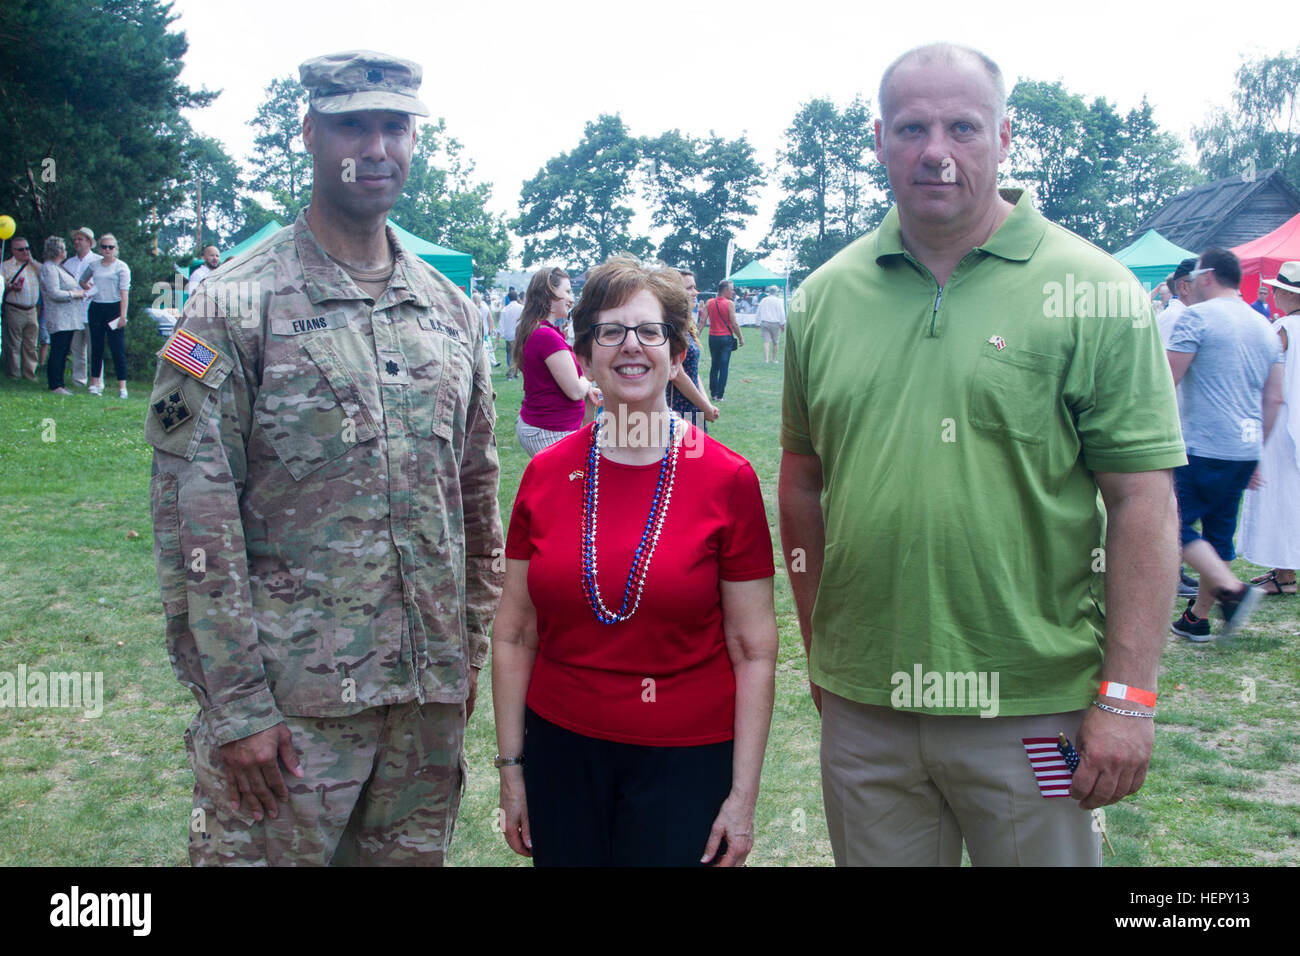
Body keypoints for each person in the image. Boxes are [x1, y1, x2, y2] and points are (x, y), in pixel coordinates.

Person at [779, 42, 1186, 867]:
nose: (936, 150)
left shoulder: (1094, 290)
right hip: (869, 715)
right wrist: (826, 654)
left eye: (963, 126)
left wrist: (1129, 698)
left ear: (1004, 137)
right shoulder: (824, 297)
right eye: (912, 127)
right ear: (879, 141)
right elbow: (801, 484)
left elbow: (1144, 501)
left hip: (1034, 711)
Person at [145, 49, 503, 866]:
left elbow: (478, 497)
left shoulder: (451, 313)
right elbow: (190, 515)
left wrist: (468, 653)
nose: (376, 147)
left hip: (425, 708)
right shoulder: (227, 305)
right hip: (289, 715)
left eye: (395, 126)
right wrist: (235, 707)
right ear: (308, 134)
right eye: (353, 125)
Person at [492, 254, 778, 866]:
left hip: (685, 761)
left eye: (651, 331)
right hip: (560, 754)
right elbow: (515, 634)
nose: (631, 346)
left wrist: (744, 797)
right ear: (586, 351)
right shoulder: (545, 474)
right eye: (611, 330)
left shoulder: (729, 480)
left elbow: (754, 648)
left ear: (676, 353)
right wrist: (512, 768)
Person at [1167, 248, 1282, 640]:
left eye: (1194, 275)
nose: (1189, 283)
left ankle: (1232, 591)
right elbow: (1274, 399)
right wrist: (1257, 453)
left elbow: (1167, 382)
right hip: (1244, 447)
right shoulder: (1266, 325)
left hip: (1200, 445)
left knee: (1172, 525)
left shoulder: (1195, 317)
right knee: (1219, 533)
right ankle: (1198, 619)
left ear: (1208, 276)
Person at [1241, 262, 1300, 595]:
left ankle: (1286, 573)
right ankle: (1284, 568)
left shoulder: (1284, 328)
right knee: (1290, 493)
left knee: (1280, 493)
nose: (1273, 292)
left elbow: (1264, 372)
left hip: (1282, 422)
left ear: (1287, 293)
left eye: (1278, 288)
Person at [513, 266, 598, 457]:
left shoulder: (539, 330)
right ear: (548, 293)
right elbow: (575, 391)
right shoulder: (546, 335)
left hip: (548, 427)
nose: (572, 299)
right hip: (550, 430)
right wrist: (588, 380)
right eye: (567, 292)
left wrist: (586, 387)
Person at [79, 232, 130, 398]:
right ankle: (94, 384)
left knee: (117, 348)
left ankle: (122, 386)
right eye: (104, 247)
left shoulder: (121, 267)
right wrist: (91, 290)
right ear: (100, 248)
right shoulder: (95, 265)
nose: (107, 250)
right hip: (96, 308)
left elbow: (124, 293)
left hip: (114, 308)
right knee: (97, 347)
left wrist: (123, 315)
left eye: (111, 247)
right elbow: (82, 280)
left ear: (115, 249)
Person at [666, 268, 718, 429]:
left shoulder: (685, 324)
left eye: (694, 287)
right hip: (677, 411)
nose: (695, 292)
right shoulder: (670, 326)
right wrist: (705, 406)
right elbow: (678, 374)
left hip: (693, 407)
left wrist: (706, 404)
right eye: (689, 288)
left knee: (697, 452)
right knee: (685, 452)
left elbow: (693, 372)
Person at [39, 236, 88, 395]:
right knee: (58, 350)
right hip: (59, 317)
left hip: (69, 318)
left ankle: (60, 383)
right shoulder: (49, 268)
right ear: (57, 251)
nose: (66, 251)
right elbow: (54, 292)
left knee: (64, 349)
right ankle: (55, 385)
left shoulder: (59, 267)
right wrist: (75, 294)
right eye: (64, 248)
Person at [63, 227, 99, 387]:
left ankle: (97, 382)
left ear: (89, 242)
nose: (77, 242)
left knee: (94, 350)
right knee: (77, 350)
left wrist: (90, 290)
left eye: (81, 239)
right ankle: (79, 381)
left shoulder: (98, 261)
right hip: (74, 312)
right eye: (75, 239)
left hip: (93, 311)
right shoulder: (68, 263)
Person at [3, 236, 42, 380]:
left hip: (31, 309)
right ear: (13, 251)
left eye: (27, 249)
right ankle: (14, 374)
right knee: (13, 344)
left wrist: (32, 261)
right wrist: (10, 287)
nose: (25, 252)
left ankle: (30, 374)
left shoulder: (33, 265)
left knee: (31, 344)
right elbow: (2, 287)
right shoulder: (6, 266)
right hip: (14, 308)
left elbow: (45, 274)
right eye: (21, 250)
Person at [706, 279, 743, 401]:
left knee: (714, 365)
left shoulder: (709, 302)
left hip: (712, 337)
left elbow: (702, 321)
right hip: (725, 338)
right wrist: (740, 337)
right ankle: (720, 395)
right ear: (725, 290)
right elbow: (734, 323)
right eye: (732, 289)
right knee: (724, 366)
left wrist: (697, 334)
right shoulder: (729, 304)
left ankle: (712, 393)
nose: (733, 292)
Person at [757, 285, 786, 364]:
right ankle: (773, 359)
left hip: (765, 322)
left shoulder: (764, 300)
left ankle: (766, 359)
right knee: (775, 342)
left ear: (769, 291)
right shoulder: (779, 301)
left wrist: (757, 323)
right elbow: (782, 313)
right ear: (776, 292)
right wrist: (782, 324)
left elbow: (758, 311)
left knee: (766, 341)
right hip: (775, 323)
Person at [499, 288, 523, 379]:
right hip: (518, 334)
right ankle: (513, 371)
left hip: (508, 334)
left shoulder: (505, 309)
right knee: (516, 354)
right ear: (517, 297)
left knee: (510, 354)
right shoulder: (521, 308)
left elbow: (501, 323)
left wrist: (499, 333)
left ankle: (512, 370)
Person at [472, 290, 498, 366]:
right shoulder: (485, 307)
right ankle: (493, 361)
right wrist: (491, 329)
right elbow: (490, 319)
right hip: (485, 331)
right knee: (489, 347)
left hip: (477, 331)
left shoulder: (472, 308)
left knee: (479, 348)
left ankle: (481, 362)